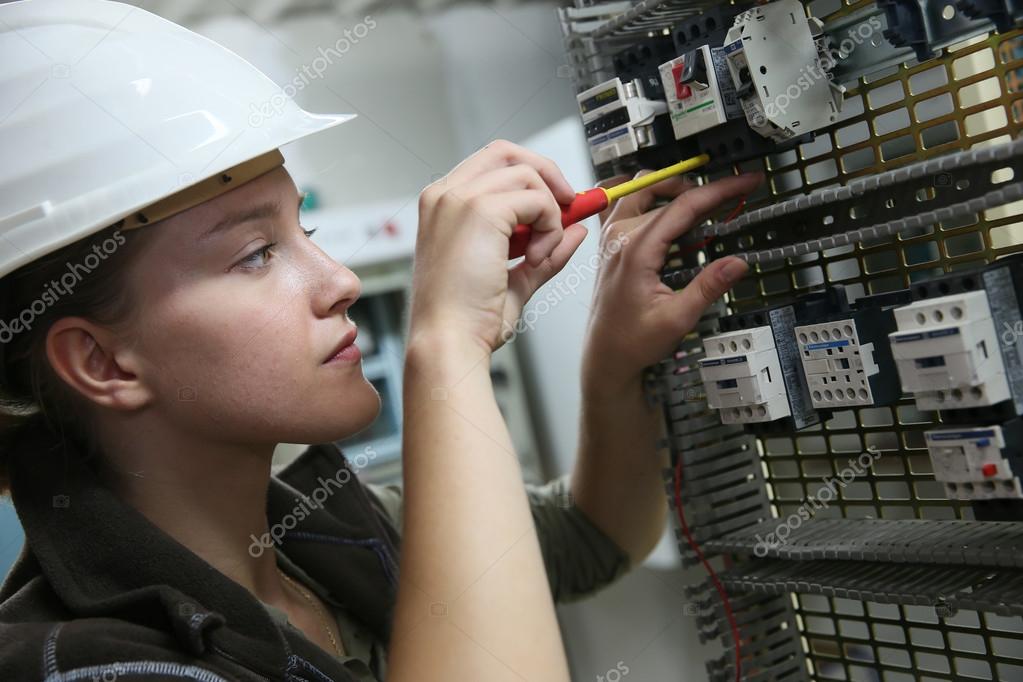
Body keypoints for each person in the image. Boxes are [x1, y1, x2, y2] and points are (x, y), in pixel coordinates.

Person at [0, 2, 759, 681]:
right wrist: (445, 348)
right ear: (101, 362)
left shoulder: (328, 532)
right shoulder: (84, 663)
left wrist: (613, 362)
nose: (340, 281)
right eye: (255, 254)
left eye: (305, 230)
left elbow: (594, 539)